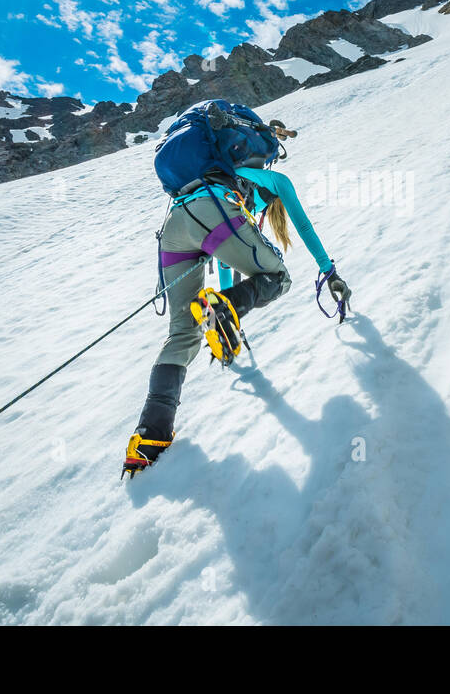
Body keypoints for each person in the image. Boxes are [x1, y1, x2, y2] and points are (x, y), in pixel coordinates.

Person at [124, 121, 351, 474]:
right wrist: (329, 272)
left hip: (174, 226)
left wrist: (230, 313)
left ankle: (150, 435)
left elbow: (227, 269)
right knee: (278, 277)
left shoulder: (216, 178)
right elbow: (304, 227)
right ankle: (222, 311)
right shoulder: (271, 182)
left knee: (183, 333)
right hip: (214, 215)